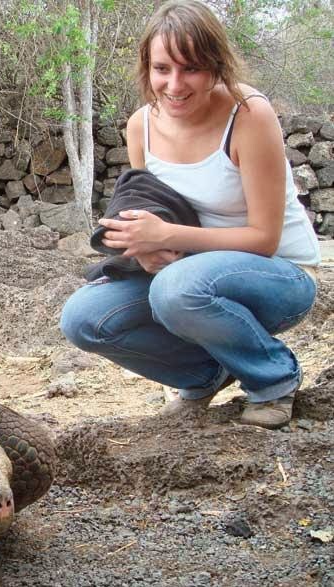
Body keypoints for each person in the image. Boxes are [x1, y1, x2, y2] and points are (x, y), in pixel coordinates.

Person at [59, 0, 320, 429]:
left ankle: (273, 378)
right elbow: (147, 201)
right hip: (189, 273)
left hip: (280, 274)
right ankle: (203, 374)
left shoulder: (249, 114)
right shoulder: (141, 124)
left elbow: (264, 238)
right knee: (84, 319)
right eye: (162, 69)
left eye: (191, 68)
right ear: (147, 69)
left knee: (176, 289)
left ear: (216, 66)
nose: (175, 84)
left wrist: (166, 237)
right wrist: (144, 250)